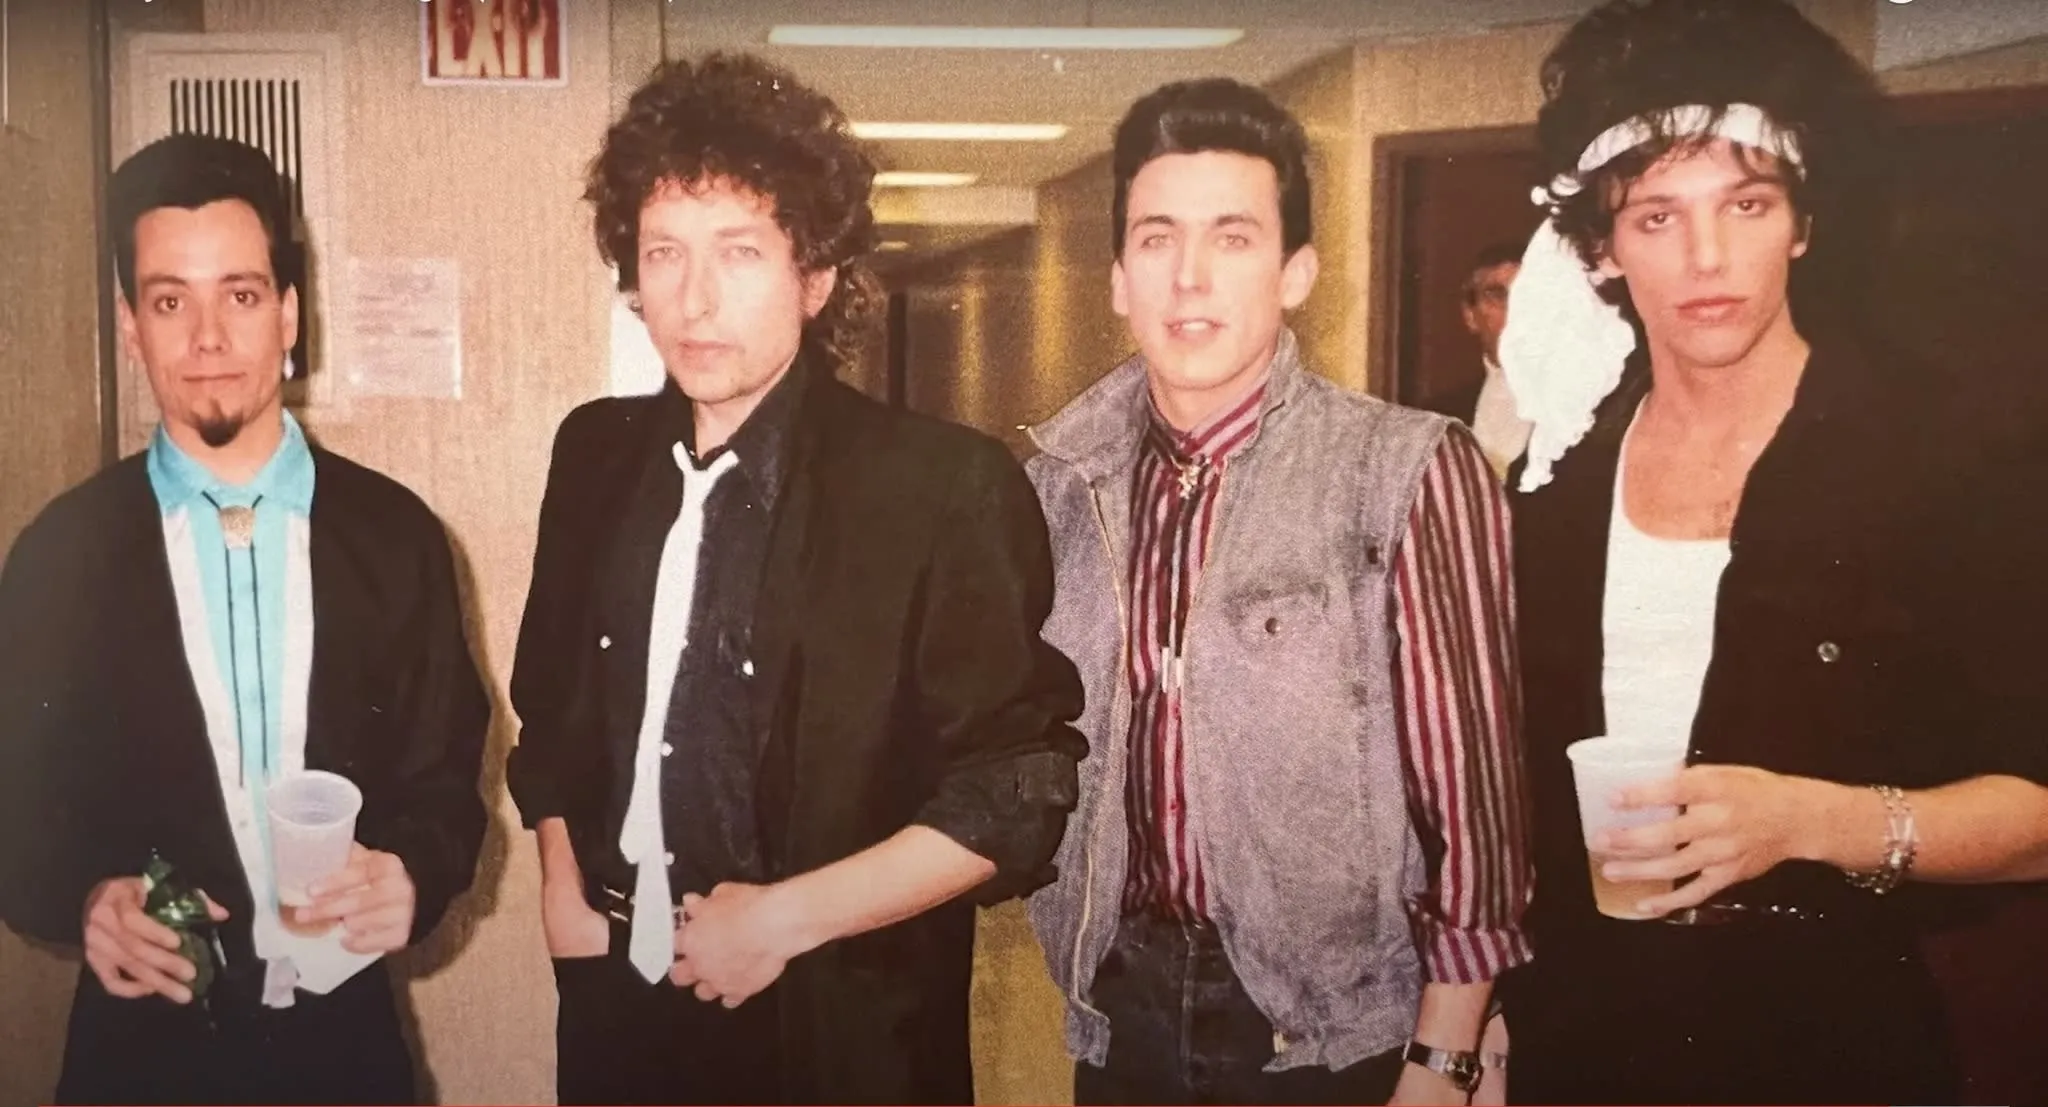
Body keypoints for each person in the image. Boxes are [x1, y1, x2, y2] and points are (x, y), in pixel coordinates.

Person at [503, 52, 1088, 1105]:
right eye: (664, 253)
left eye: (739, 251)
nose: (695, 296)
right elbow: (549, 709)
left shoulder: (938, 488)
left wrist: (780, 920)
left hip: (839, 1023)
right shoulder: (592, 456)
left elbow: (1013, 794)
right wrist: (563, 889)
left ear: (815, 276)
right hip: (619, 1010)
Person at [1495, 1, 2048, 1102]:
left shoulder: (1944, 460)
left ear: (1801, 220)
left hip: (1833, 1045)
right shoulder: (1550, 485)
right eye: (1655, 217)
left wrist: (1810, 818)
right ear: (1600, 251)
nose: (1706, 257)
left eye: (1744, 204)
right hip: (1581, 1039)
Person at [1025, 77, 1531, 1106]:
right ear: (1118, 276)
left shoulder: (1402, 469)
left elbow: (1472, 807)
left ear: (1296, 271)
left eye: (1234, 238)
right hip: (1118, 1014)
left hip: (1335, 1030)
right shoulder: (1055, 484)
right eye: (1156, 240)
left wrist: (1446, 1051)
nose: (1190, 278)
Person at [0, 132, 490, 1105]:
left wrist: (414, 876)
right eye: (170, 300)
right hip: (136, 1059)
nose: (209, 338)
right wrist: (85, 898)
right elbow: (16, 813)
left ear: (290, 315)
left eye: (242, 293)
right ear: (131, 325)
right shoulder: (59, 555)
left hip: (348, 1053)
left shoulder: (396, 537)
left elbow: (446, 785)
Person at [1436, 243, 1531, 479]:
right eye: (1499, 296)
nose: (1518, 310)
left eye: (1529, 294)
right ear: (1470, 316)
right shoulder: (1435, 418)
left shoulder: (1594, 414)